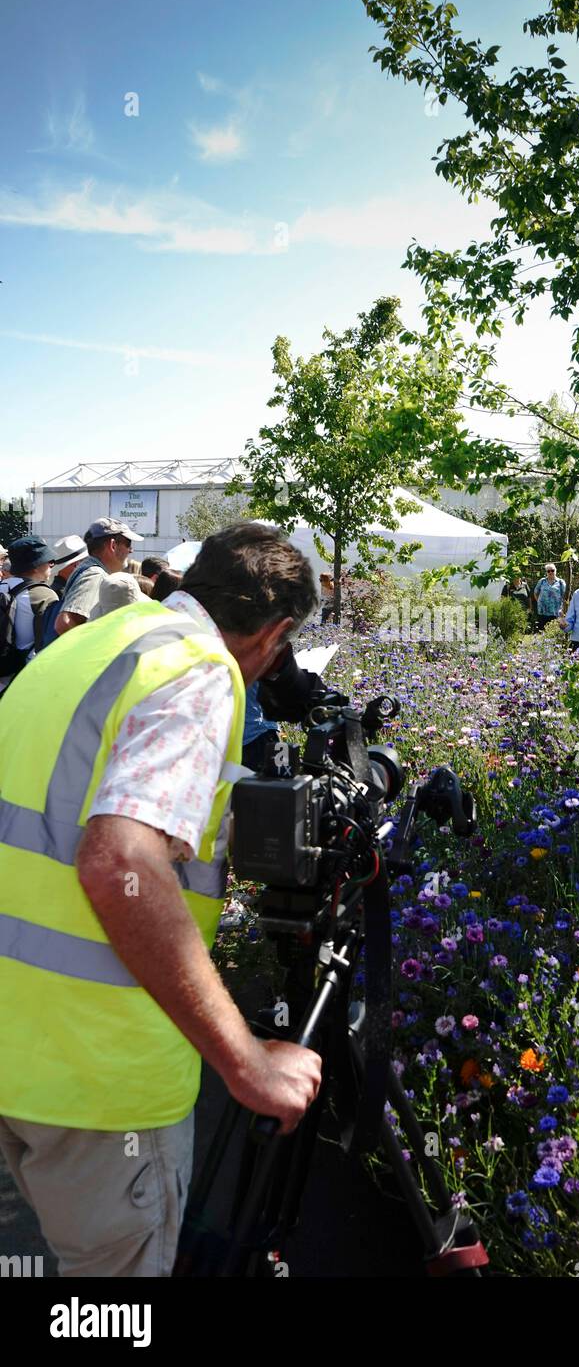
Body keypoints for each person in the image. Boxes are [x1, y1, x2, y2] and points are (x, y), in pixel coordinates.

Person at [0, 522, 322, 1277]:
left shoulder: (96, 643)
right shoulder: (198, 670)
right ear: (276, 631)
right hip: (98, 1071)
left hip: (20, 1047)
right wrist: (247, 1062)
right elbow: (119, 861)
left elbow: (60, 803)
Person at [53, 518, 144, 637]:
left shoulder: (90, 569)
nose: (131, 550)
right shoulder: (96, 575)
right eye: (128, 544)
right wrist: (92, 649)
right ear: (113, 545)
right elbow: (64, 623)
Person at [0, 537, 59, 694]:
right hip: (23, 681)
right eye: (49, 561)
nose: (51, 565)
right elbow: (50, 644)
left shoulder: (2, 586)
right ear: (36, 566)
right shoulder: (44, 595)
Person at [533, 562, 567, 631]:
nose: (550, 572)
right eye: (548, 571)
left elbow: (565, 596)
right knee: (542, 631)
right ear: (546, 572)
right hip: (543, 611)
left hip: (556, 611)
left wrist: (563, 609)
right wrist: (539, 602)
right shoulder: (542, 581)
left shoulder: (560, 582)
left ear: (555, 571)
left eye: (552, 570)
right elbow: (535, 592)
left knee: (554, 631)